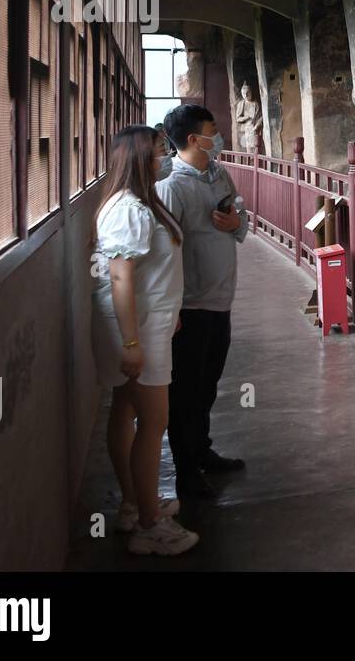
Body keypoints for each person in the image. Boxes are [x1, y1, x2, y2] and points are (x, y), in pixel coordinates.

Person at [92, 125, 199, 556]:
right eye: (160, 151)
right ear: (140, 159)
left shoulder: (136, 203)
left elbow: (146, 273)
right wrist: (133, 342)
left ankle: (136, 505)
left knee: (124, 408)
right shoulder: (130, 208)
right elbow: (121, 276)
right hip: (136, 329)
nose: (167, 156)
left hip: (145, 322)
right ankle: (150, 527)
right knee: (154, 423)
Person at [158, 104, 248, 498]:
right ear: (194, 138)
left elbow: (239, 216)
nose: (220, 134)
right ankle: (184, 467)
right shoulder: (171, 188)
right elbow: (165, 252)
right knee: (185, 391)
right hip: (191, 307)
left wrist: (237, 222)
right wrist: (172, 307)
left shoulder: (218, 172)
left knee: (208, 383)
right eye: (214, 129)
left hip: (220, 300)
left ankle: (203, 448)